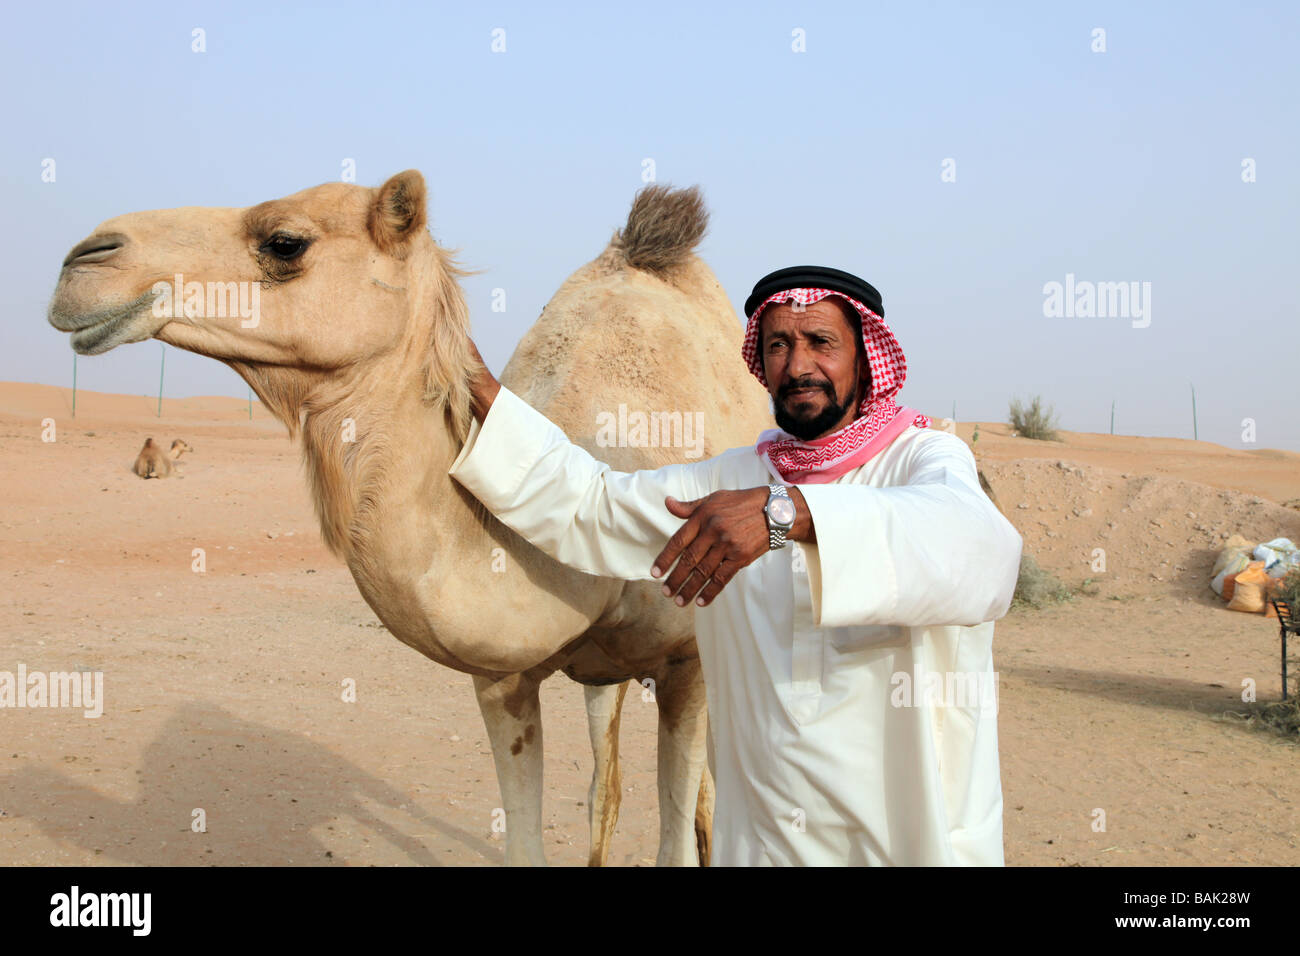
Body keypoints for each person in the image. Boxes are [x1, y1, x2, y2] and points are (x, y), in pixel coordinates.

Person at [449, 264, 1023, 865]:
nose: (799, 365)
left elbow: (981, 547)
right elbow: (591, 503)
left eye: (821, 343)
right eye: (779, 345)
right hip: (765, 842)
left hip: (909, 843)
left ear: (867, 357)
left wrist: (789, 515)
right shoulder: (730, 482)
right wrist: (483, 390)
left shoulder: (926, 460)